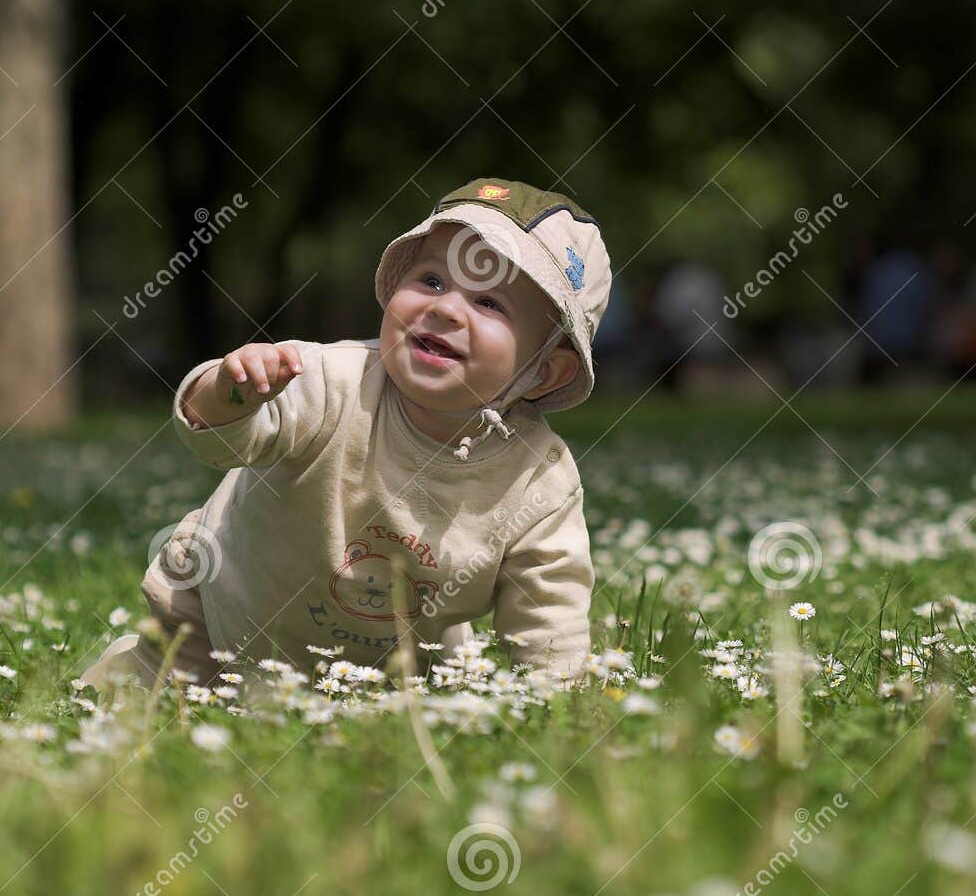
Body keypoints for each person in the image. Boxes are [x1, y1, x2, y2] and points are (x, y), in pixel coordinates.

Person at [83, 178, 612, 691]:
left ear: (546, 371)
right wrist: (228, 393)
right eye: (431, 280)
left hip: (389, 665)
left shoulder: (537, 480)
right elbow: (219, 442)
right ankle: (114, 678)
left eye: (490, 303)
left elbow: (550, 611)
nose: (446, 307)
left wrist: (558, 699)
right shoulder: (332, 381)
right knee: (146, 704)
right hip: (218, 616)